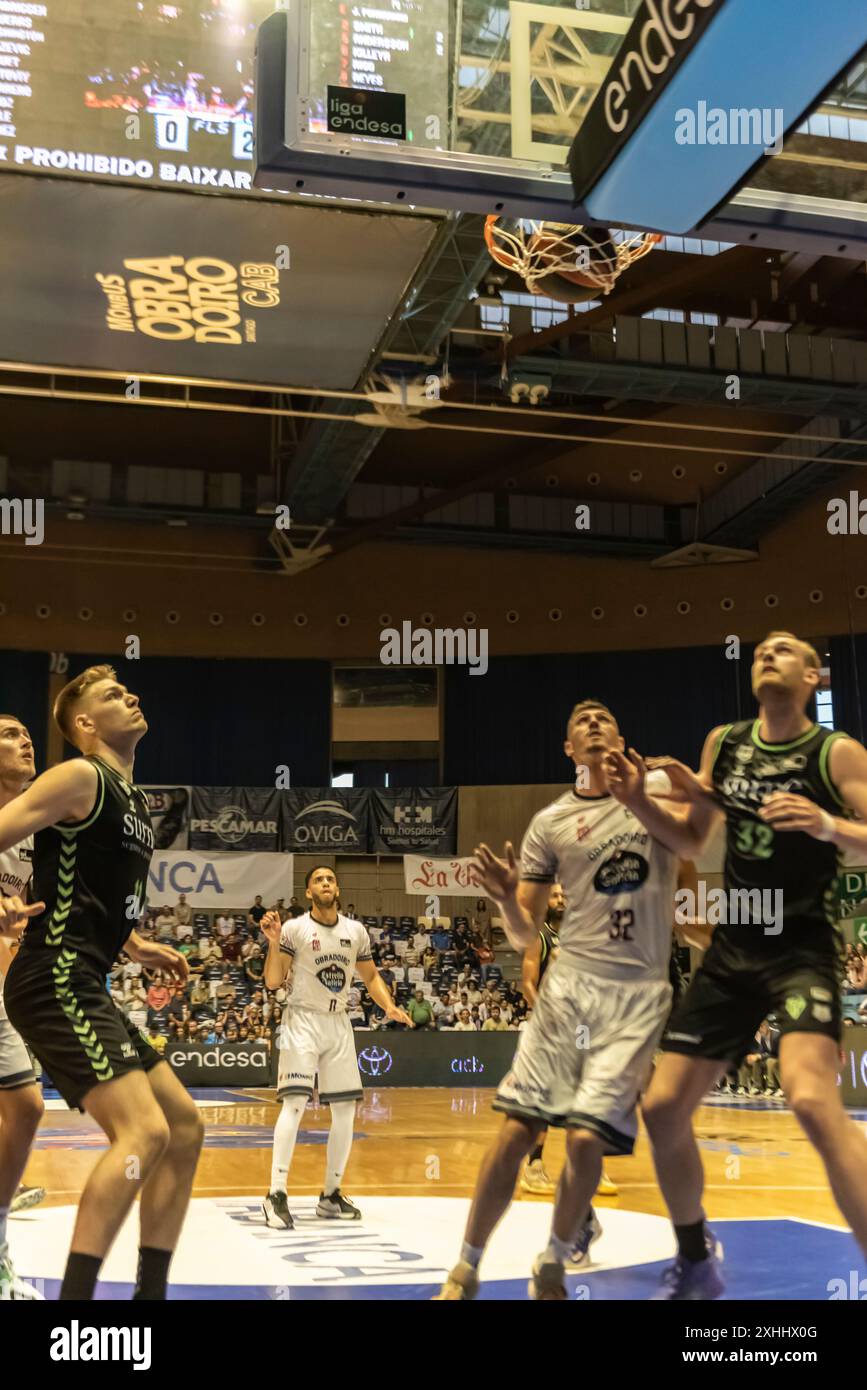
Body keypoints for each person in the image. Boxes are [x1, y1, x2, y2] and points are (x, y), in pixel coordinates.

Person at [627, 631, 867, 1298]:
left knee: (813, 1099)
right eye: (762, 648)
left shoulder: (834, 752)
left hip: (800, 949)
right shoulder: (723, 743)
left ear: (815, 676)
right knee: (663, 1107)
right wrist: (638, 801)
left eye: (787, 649)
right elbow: (689, 837)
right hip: (734, 950)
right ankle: (694, 1255)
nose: (769, 653)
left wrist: (827, 826)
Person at [435, 700, 684, 1301]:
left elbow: (699, 839)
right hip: (568, 989)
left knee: (584, 1138)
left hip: (635, 995)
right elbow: (525, 934)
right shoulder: (551, 823)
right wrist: (503, 900)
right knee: (519, 1128)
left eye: (604, 718)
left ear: (623, 739)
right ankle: (465, 1268)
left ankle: (552, 1260)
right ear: (569, 750)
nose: (594, 723)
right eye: (580, 722)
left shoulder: (661, 794)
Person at [0, 666, 204, 1301]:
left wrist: (138, 945)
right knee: (143, 1133)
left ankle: (149, 1299)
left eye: (127, 689)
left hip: (87, 976)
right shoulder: (79, 776)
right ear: (84, 724)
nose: (132, 696)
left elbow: (86, 889)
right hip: (52, 975)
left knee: (185, 1126)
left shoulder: (133, 798)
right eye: (113, 696)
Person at [261, 866, 412, 1230]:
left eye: (330, 879)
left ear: (337, 888)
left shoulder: (355, 931)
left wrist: (387, 1005)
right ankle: (275, 1194)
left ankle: (330, 1195)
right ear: (309, 892)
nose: (326, 883)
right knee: (295, 1103)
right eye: (318, 881)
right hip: (303, 1020)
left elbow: (371, 976)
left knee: (345, 1110)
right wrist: (273, 941)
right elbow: (273, 980)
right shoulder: (295, 929)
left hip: (339, 1022)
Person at [519, 883, 619, 1198]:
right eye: (555, 895)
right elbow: (526, 983)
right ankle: (534, 1166)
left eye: (564, 895)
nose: (561, 899)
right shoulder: (540, 937)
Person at [0, 715, 48, 1298]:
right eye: (8, 733)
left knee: (28, 1106)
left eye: (26, 733)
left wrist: (132, 941)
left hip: (7, 992)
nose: (24, 738)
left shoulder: (38, 828)